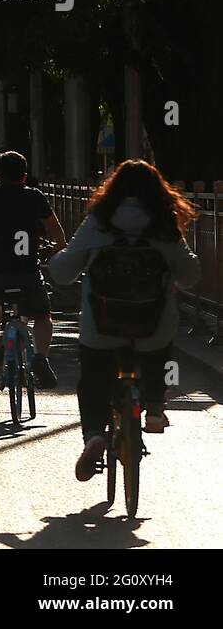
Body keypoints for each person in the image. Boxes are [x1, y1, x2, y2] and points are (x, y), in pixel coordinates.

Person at [49, 160, 200, 482]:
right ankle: (156, 407)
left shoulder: (99, 222)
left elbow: (63, 273)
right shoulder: (164, 223)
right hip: (152, 324)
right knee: (159, 348)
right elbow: (190, 277)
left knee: (92, 378)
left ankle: (94, 436)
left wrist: (57, 258)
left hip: (101, 325)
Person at [0, 150, 67, 388]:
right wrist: (59, 247)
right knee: (42, 315)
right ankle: (41, 357)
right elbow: (55, 228)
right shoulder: (35, 197)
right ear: (24, 177)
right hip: (27, 272)